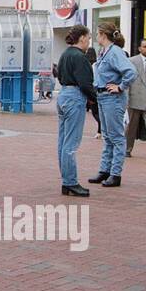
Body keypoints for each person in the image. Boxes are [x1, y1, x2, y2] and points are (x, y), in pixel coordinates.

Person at [90, 24, 136, 187]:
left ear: (103, 35)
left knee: (116, 136)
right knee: (108, 135)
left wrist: (120, 86)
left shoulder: (115, 52)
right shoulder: (105, 52)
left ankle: (115, 173)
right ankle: (105, 170)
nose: (96, 36)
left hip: (112, 98)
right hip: (103, 96)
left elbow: (131, 71)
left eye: (97, 33)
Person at [56, 26, 96, 196]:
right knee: (71, 143)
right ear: (82, 38)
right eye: (88, 38)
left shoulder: (65, 54)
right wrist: (95, 98)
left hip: (64, 94)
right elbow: (85, 83)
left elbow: (59, 74)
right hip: (74, 97)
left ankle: (67, 180)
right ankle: (70, 181)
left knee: (63, 141)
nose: (88, 42)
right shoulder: (80, 57)